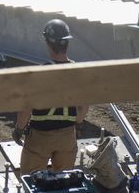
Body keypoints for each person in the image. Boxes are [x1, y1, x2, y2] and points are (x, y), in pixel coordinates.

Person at [14, 19, 88, 174]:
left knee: (31, 181)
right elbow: (83, 105)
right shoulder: (77, 71)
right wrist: (78, 124)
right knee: (62, 183)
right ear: (67, 43)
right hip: (67, 136)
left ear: (47, 43)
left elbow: (26, 108)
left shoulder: (41, 74)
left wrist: (19, 129)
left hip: (40, 137)